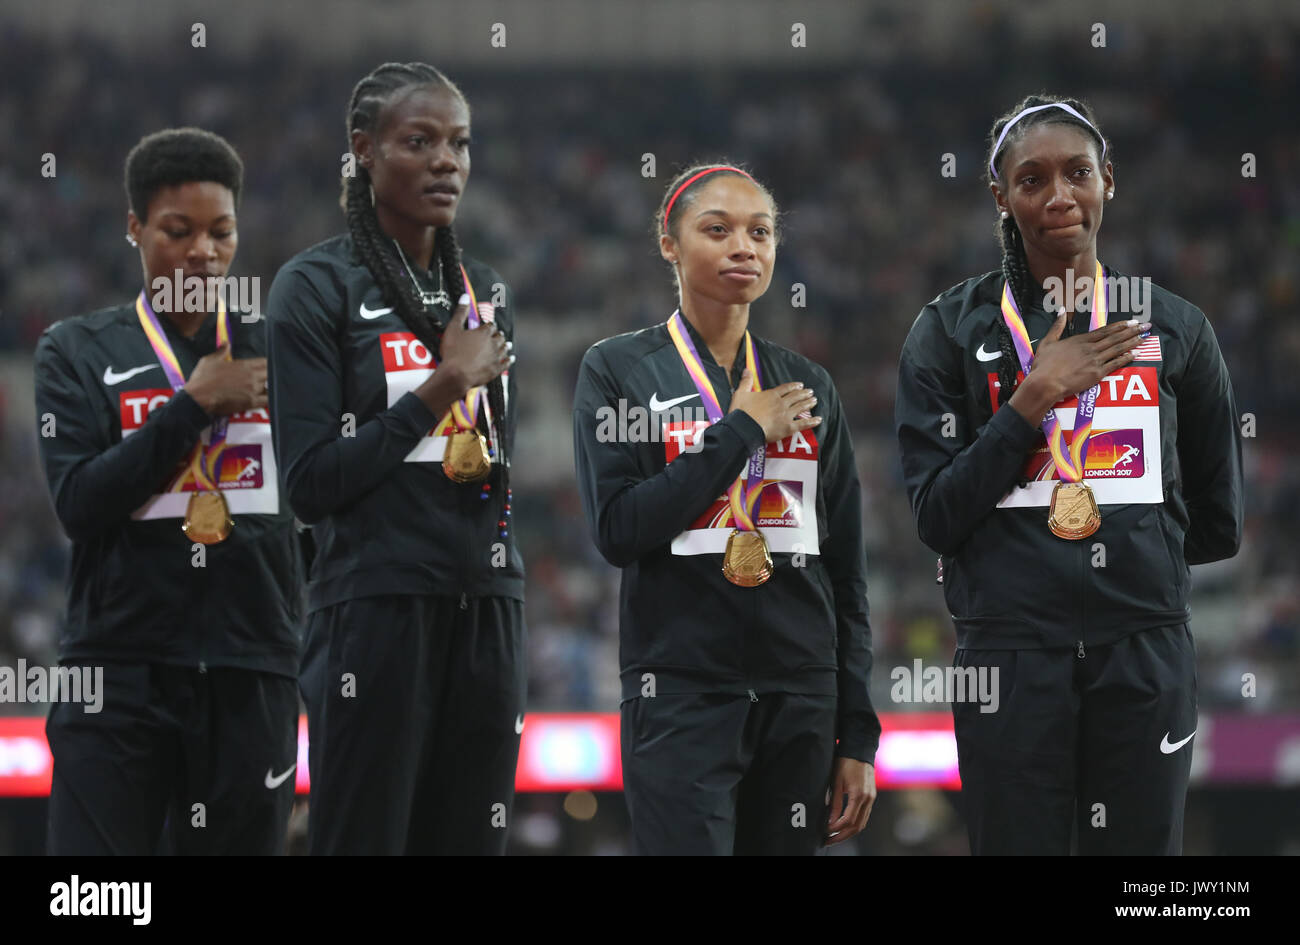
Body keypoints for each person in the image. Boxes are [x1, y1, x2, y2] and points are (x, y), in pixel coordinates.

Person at [895, 95, 1244, 855]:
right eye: (1031, 179)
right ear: (1001, 195)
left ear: (1108, 181)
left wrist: (1125, 571)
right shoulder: (948, 333)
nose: (1058, 196)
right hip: (1007, 661)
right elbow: (935, 516)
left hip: (1143, 653)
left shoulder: (1176, 328)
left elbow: (1218, 522)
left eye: (1076, 173)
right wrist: (1030, 401)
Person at [573, 164, 880, 855]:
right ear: (669, 244)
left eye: (761, 232)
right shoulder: (619, 369)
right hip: (679, 692)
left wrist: (857, 732)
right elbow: (619, 528)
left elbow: (846, 571)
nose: (745, 246)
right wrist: (739, 432)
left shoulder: (810, 386)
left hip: (801, 696)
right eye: (718, 230)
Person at [265, 62, 522, 855]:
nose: (448, 161)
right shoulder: (313, 288)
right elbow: (310, 483)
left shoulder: (481, 288)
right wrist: (444, 384)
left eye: (460, 143)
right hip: (373, 611)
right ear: (364, 151)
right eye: (421, 141)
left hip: (486, 607)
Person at [34, 127, 303, 855]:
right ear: (135, 227)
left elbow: (320, 502)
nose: (203, 252)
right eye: (177, 231)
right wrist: (192, 406)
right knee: (95, 899)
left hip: (252, 672)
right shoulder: (78, 350)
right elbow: (79, 504)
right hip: (118, 670)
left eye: (221, 232)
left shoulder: (282, 349)